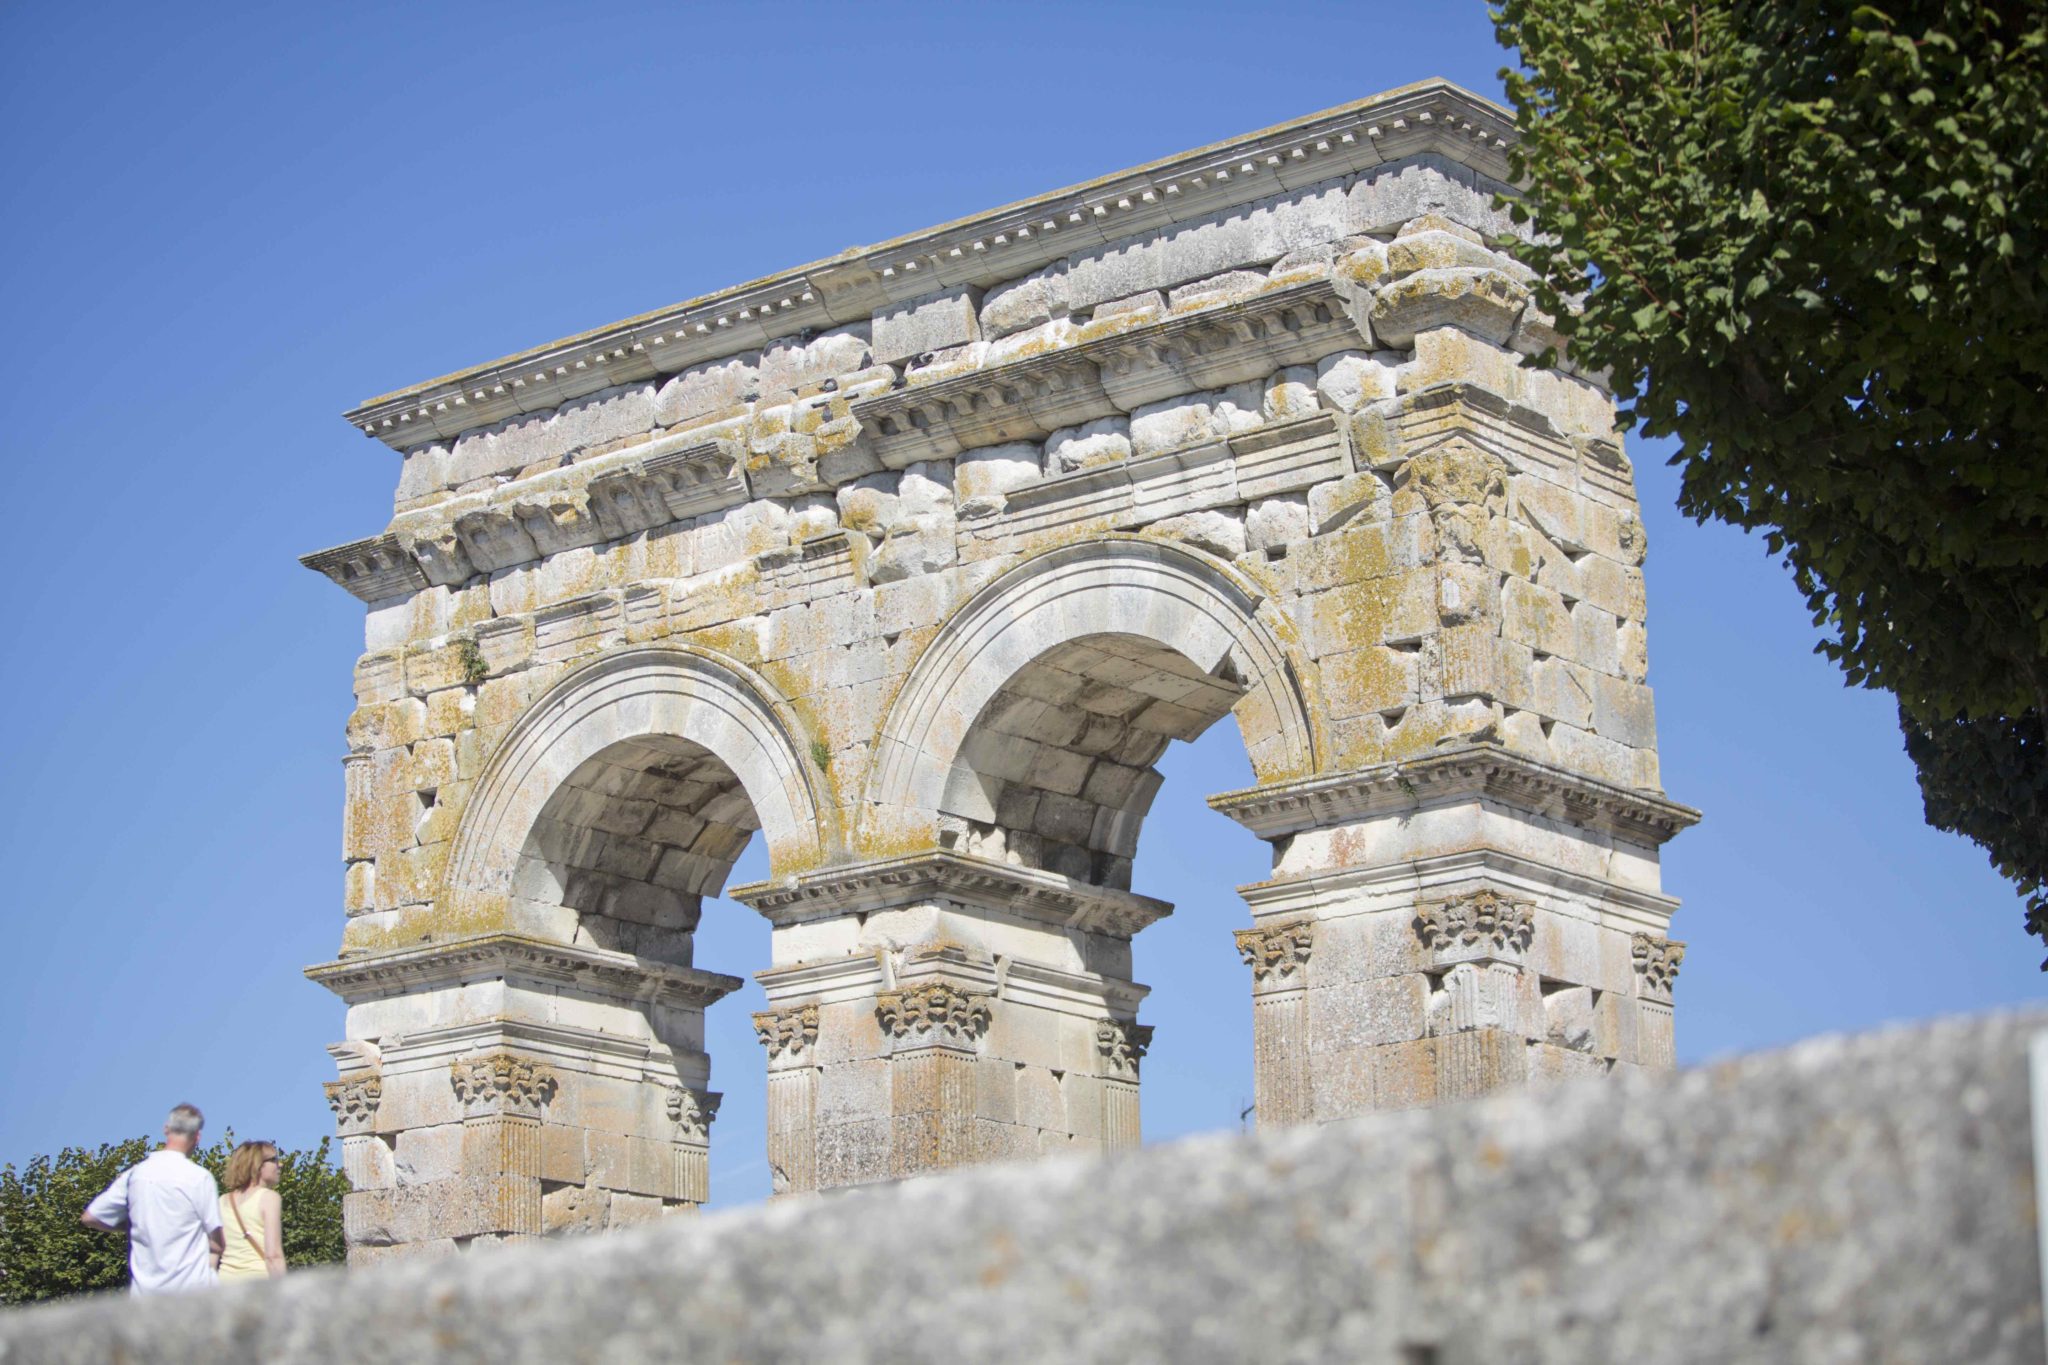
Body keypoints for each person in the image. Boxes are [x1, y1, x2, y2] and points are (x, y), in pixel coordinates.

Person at [81, 1103, 225, 1295]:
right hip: (192, 1292)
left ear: (166, 1129)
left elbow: (91, 1217)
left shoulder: (135, 1174)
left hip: (145, 1296)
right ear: (197, 1136)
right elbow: (215, 1238)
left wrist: (130, 1226)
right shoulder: (200, 1177)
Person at [216, 1140, 287, 1282]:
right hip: (258, 1285)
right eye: (274, 1160)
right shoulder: (269, 1198)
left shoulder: (222, 1201)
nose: (279, 1164)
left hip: (224, 1285)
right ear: (258, 1165)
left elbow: (216, 1248)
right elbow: (273, 1255)